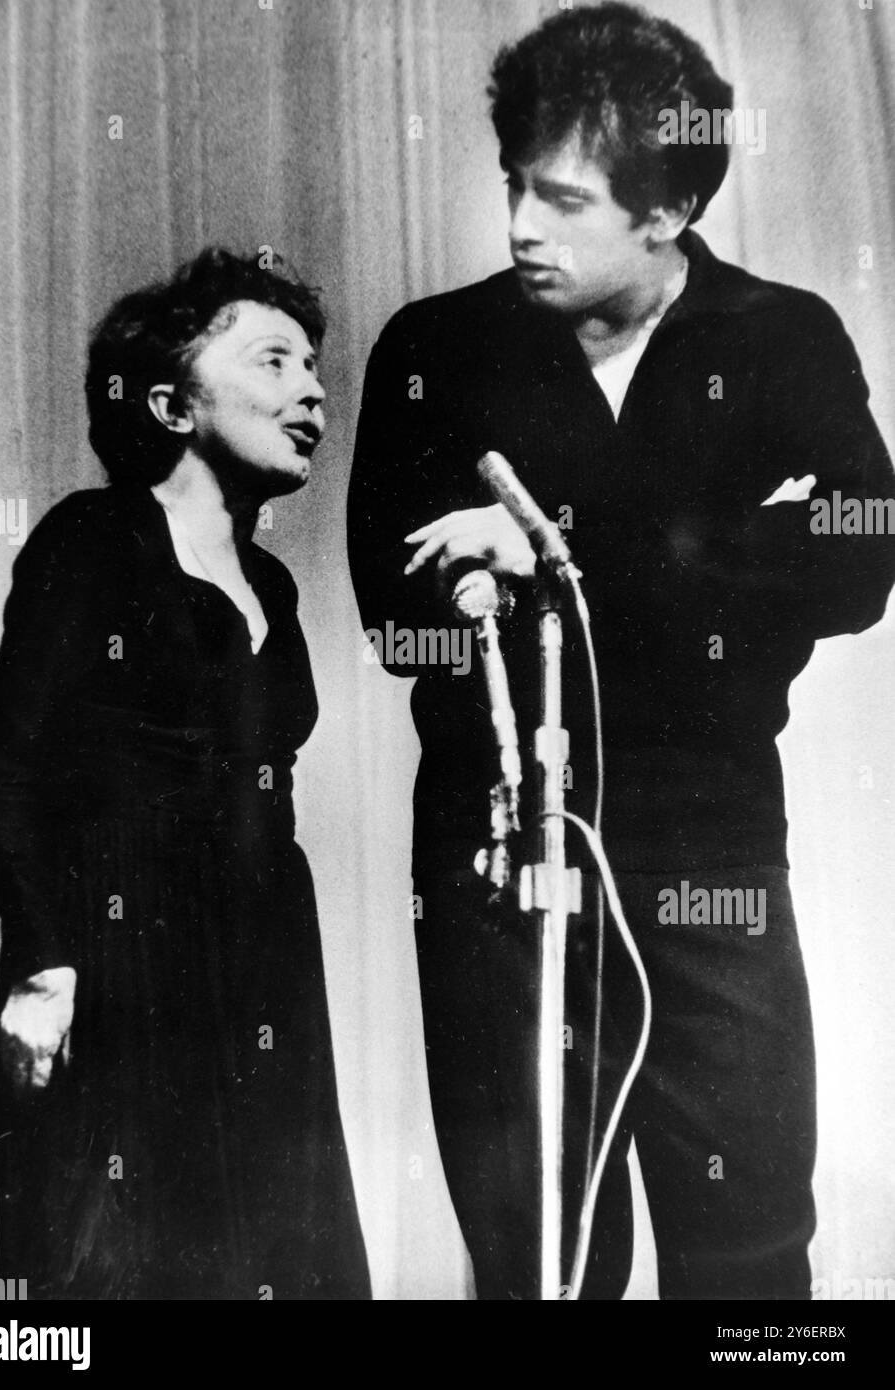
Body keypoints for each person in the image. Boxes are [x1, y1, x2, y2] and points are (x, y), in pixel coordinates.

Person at [347, 2, 895, 1300]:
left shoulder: (782, 338)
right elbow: (400, 615)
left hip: (710, 852)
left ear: (666, 210)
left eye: (563, 198)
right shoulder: (436, 350)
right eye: (512, 188)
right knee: (536, 1254)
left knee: (749, 1247)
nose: (521, 226)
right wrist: (721, 552)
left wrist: (559, 544)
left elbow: (863, 554)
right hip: (497, 863)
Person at [0, 247, 371, 1300]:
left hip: (263, 956)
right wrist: (46, 964)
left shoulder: (271, 582)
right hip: (116, 957)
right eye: (273, 361)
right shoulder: (91, 541)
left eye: (314, 366)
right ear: (173, 405)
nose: (313, 388)